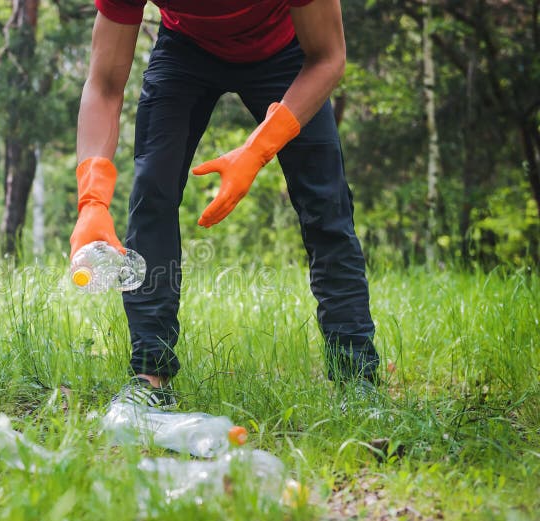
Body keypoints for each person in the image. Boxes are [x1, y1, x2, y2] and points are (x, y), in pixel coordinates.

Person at [70, 0, 380, 409]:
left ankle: (356, 378)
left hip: (286, 54)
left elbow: (328, 58)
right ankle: (150, 376)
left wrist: (258, 148)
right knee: (152, 191)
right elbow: (104, 85)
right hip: (185, 51)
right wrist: (92, 199)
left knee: (327, 205)